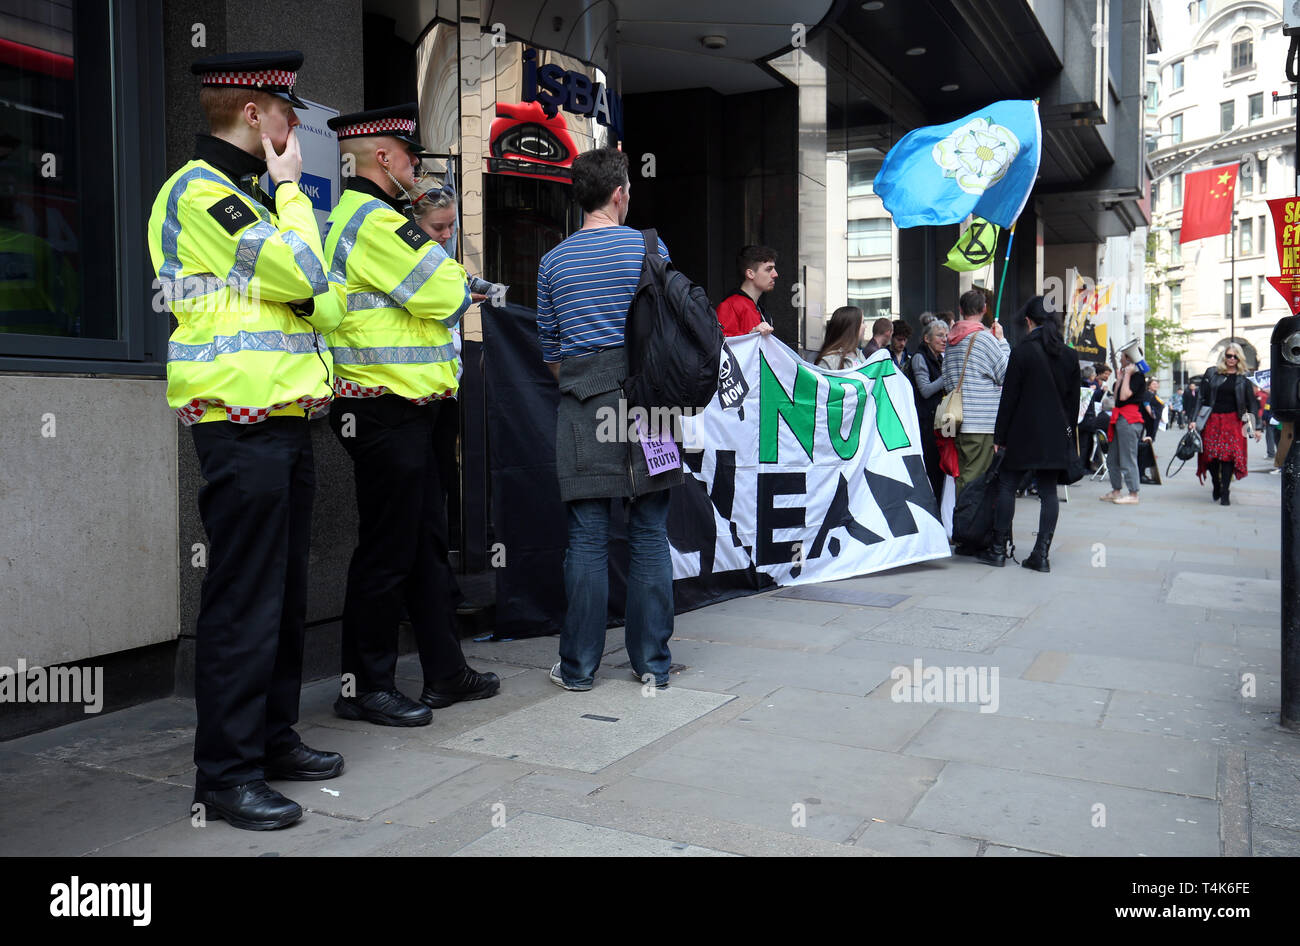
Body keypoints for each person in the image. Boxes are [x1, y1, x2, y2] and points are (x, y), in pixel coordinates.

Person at [147, 52, 345, 831]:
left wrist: (287, 213)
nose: (299, 131)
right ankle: (224, 778)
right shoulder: (203, 195)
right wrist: (294, 191)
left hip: (283, 419)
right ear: (256, 114)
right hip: (240, 422)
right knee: (243, 600)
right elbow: (303, 278)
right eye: (290, 114)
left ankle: (271, 738)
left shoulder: (245, 200)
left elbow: (320, 305)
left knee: (285, 594)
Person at [324, 104, 499, 728]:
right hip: (383, 410)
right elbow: (443, 289)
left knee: (424, 543)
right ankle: (363, 685)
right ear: (383, 158)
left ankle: (444, 670)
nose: (415, 168)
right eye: (410, 157)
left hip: (409, 409)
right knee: (387, 550)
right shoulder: (372, 220)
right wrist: (461, 285)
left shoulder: (368, 218)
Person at [537, 147, 683, 691]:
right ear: (619, 193)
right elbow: (671, 329)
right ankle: (652, 665)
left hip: (584, 405)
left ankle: (577, 669)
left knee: (587, 538)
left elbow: (551, 355)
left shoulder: (553, 261)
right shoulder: (650, 247)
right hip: (652, 407)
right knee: (648, 532)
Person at [979, 296, 1080, 570]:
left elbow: (1009, 399)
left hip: (1021, 434)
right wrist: (1068, 438)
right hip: (1055, 436)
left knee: (1007, 487)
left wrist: (1000, 438)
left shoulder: (1022, 352)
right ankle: (1042, 554)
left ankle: (998, 550)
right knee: (1048, 492)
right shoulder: (1070, 356)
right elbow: (1073, 406)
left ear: (1028, 321)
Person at [941, 289, 1009, 496]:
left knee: (963, 474)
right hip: (980, 421)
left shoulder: (950, 341)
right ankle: (967, 525)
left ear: (960, 310)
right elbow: (1005, 374)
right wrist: (1002, 342)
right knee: (975, 480)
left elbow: (945, 377)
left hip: (955, 419)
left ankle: (964, 522)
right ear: (984, 309)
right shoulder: (984, 339)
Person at [1192, 342, 1262, 506]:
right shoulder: (1212, 372)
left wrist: (1256, 427)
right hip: (1212, 419)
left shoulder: (1243, 377)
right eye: (1229, 355)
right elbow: (1201, 397)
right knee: (1210, 456)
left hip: (1234, 421)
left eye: (1235, 356)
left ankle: (1225, 492)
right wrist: (1193, 420)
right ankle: (1216, 484)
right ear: (1224, 357)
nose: (1231, 359)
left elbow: (1252, 404)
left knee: (1228, 457)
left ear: (1239, 358)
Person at [1099, 339, 1146, 504]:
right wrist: (1119, 378)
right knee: (1112, 458)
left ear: (1129, 359)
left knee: (1128, 457)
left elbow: (1126, 395)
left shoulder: (1139, 377)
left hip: (1130, 419)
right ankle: (1116, 490)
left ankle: (1133, 494)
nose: (1120, 359)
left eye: (1123, 357)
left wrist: (1126, 375)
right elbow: (1118, 397)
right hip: (1119, 418)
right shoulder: (1126, 375)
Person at [910, 319, 948, 503]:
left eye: (946, 336)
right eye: (940, 336)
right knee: (931, 471)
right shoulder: (920, 358)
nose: (945, 340)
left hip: (939, 423)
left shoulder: (941, 358)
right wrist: (948, 375)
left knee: (940, 472)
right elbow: (925, 391)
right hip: (926, 425)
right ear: (927, 338)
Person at [715, 245, 777, 338]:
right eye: (768, 269)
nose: (775, 274)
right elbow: (721, 343)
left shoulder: (759, 309)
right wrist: (751, 335)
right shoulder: (730, 305)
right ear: (750, 273)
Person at [815, 306, 867, 370]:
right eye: (862, 322)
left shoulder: (859, 354)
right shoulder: (827, 361)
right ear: (852, 327)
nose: (865, 326)